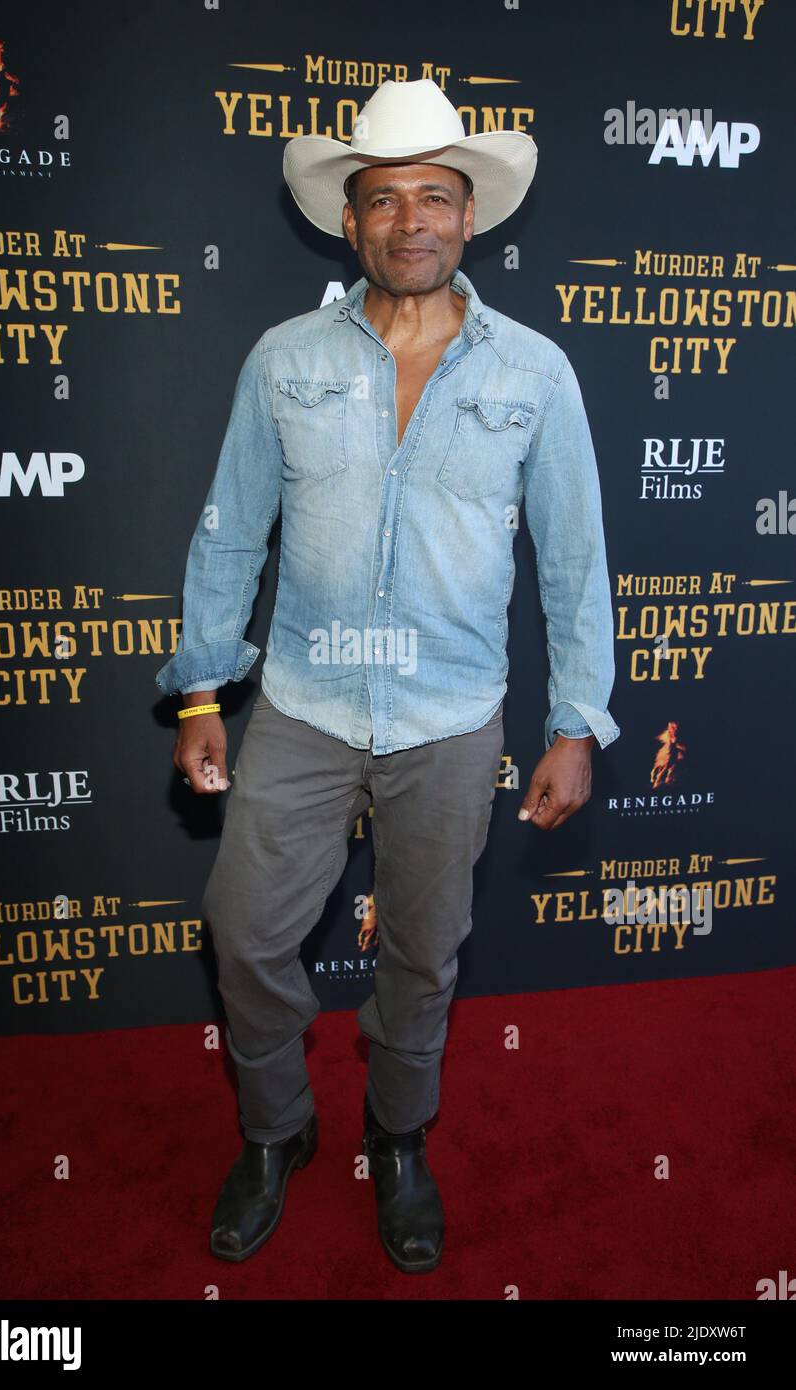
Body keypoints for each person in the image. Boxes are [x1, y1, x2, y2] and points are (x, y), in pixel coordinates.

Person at [155, 78, 620, 1274]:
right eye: (382, 198)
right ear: (347, 220)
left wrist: (575, 719)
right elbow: (228, 532)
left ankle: (397, 1137)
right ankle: (275, 1130)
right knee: (243, 934)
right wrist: (202, 691)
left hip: (451, 721)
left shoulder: (535, 373)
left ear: (469, 217)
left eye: (432, 196)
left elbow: (572, 561)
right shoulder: (281, 359)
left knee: (422, 952)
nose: (408, 219)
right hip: (304, 709)